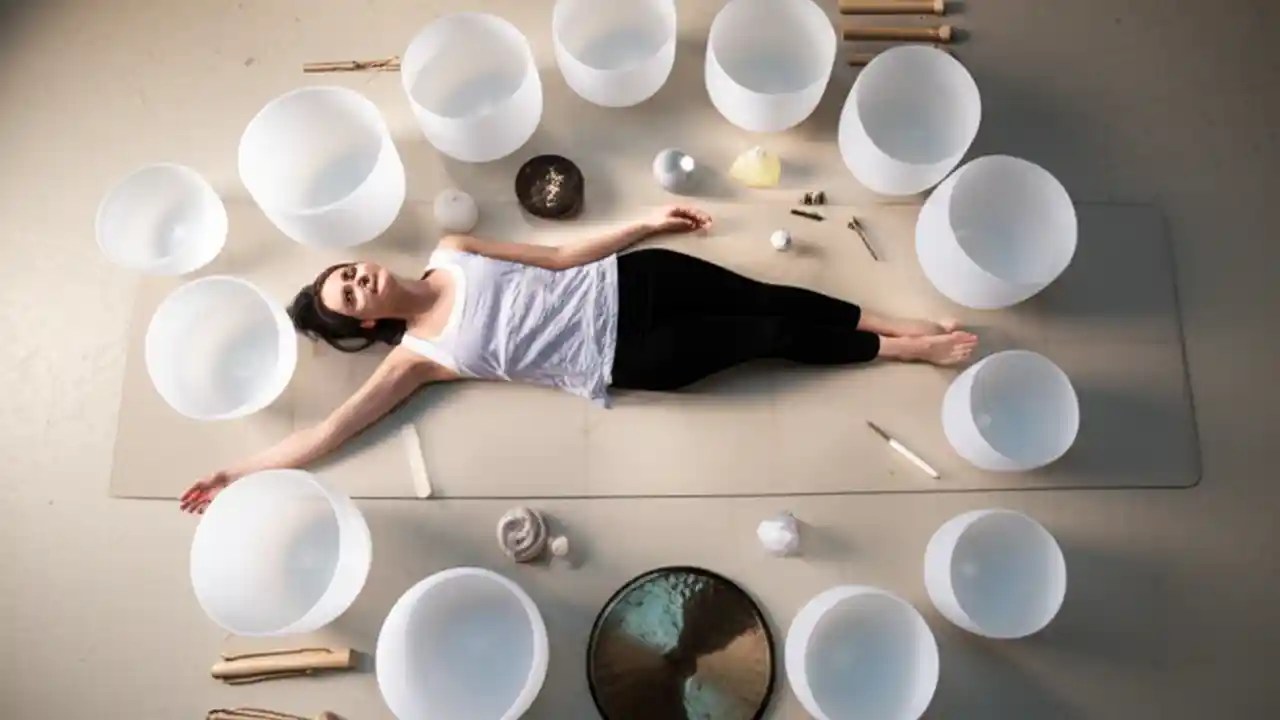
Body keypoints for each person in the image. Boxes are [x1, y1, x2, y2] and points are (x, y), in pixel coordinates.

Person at [179, 206, 977, 513]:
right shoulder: (417, 360)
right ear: (367, 321)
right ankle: (904, 353)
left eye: (350, 272)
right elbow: (327, 432)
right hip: (627, 352)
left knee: (769, 295)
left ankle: (895, 324)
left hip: (632, 279)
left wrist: (644, 226)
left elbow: (558, 257)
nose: (359, 281)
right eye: (351, 296)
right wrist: (235, 474)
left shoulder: (452, 249)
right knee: (767, 338)